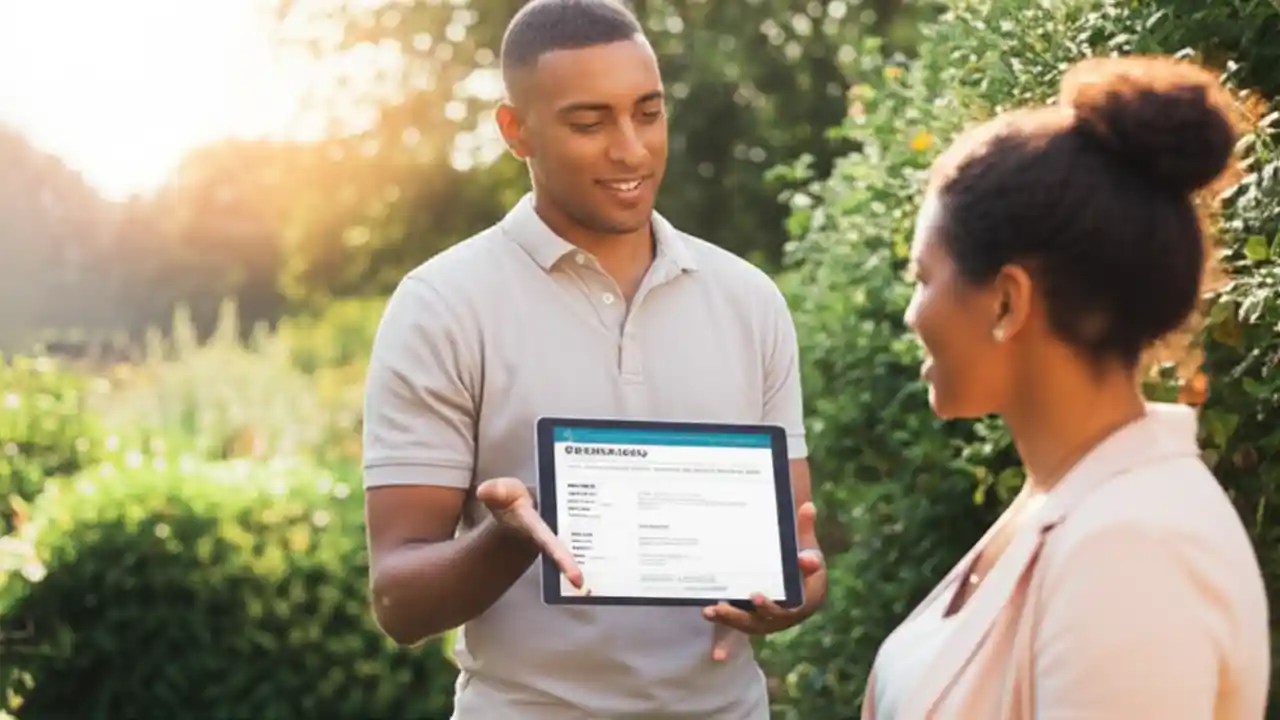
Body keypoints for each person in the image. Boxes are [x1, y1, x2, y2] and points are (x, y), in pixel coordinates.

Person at [360, 1, 827, 717]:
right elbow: (399, 601)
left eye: (648, 112)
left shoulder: (749, 300)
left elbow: (799, 558)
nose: (632, 149)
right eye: (590, 123)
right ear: (517, 132)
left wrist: (789, 596)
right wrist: (512, 540)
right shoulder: (442, 305)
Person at [862, 54, 1270, 719]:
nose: (912, 313)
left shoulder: (1135, 549)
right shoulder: (1065, 502)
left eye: (922, 278)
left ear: (1006, 303)